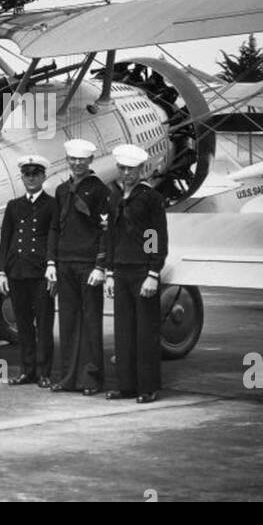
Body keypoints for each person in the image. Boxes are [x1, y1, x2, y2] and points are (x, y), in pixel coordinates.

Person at [104, 144, 169, 404]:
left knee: (145, 333)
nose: (127, 173)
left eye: (132, 169)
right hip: (120, 270)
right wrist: (109, 271)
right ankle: (126, 385)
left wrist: (153, 272)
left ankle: (148, 387)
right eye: (122, 168)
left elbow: (155, 236)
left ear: (142, 169)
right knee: (124, 332)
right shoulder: (115, 197)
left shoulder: (151, 198)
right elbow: (109, 236)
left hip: (142, 272)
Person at [47, 138, 110, 395]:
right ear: (67, 160)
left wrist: (100, 265)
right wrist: (51, 262)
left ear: (90, 161)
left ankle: (91, 378)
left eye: (82, 160)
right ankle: (68, 378)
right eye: (72, 159)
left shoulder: (101, 191)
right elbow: (54, 228)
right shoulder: (62, 191)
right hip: (65, 264)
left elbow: (106, 231)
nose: (77, 164)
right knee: (68, 322)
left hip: (88, 265)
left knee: (92, 321)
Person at [0, 155, 56, 387]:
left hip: (40, 273)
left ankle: (44, 373)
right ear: (22, 177)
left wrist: (52, 265)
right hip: (17, 273)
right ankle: (27, 371)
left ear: (43, 176)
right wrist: (1, 272)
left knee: (43, 325)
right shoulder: (14, 206)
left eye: (36, 174)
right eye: (27, 174)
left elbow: (53, 237)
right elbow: (6, 240)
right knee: (23, 324)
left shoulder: (51, 205)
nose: (31, 178)